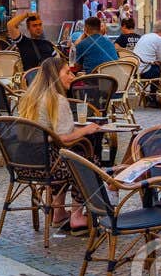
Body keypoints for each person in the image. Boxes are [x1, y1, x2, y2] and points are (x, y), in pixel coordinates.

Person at [15, 56, 101, 235]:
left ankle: (59, 213)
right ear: (55, 75)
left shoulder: (29, 97)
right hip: (49, 166)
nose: (72, 76)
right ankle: (77, 216)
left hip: (24, 164)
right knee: (87, 160)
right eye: (67, 72)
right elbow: (64, 138)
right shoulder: (56, 100)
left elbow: (49, 133)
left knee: (63, 153)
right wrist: (85, 131)